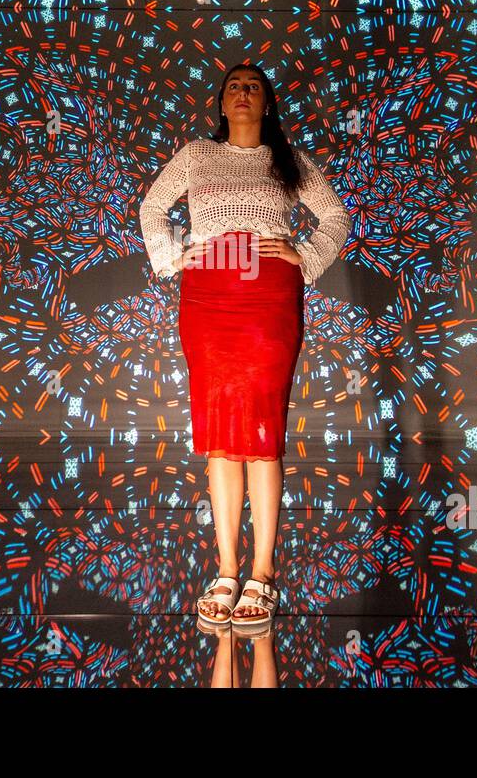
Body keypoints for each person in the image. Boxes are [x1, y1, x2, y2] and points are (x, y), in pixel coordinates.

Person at [137, 63, 352, 634]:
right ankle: (226, 571)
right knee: (219, 433)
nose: (242, 92)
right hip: (209, 298)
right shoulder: (195, 155)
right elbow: (152, 209)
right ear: (220, 101)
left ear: (268, 104)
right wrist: (171, 255)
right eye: (233, 85)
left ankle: (262, 575)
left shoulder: (288, 162)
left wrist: (304, 256)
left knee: (260, 433)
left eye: (253, 85)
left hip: (268, 299)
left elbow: (335, 217)